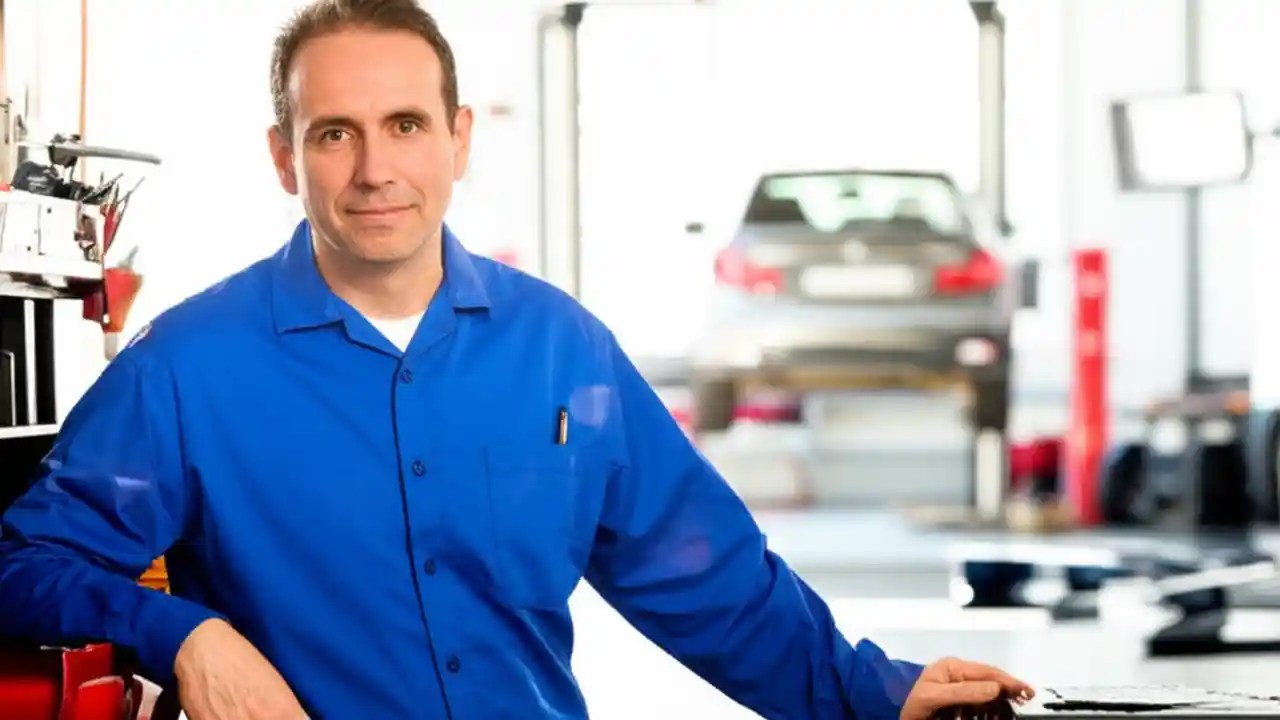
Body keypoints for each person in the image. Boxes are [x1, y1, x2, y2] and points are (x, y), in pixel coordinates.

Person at [0, 1, 1035, 718]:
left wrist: (873, 693)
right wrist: (183, 636)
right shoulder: (186, 369)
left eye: (405, 124)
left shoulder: (560, 353)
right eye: (333, 134)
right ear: (283, 155)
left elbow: (703, 574)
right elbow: (23, 565)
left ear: (457, 138)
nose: (374, 170)